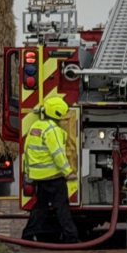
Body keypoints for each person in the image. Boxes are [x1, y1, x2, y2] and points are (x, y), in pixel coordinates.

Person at [21, 95, 80, 244]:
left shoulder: (36, 127)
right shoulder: (52, 130)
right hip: (53, 177)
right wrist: (68, 173)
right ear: (58, 114)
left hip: (39, 177)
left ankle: (27, 235)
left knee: (40, 207)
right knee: (62, 208)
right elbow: (58, 155)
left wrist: (28, 173)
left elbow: (27, 151)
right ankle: (71, 237)